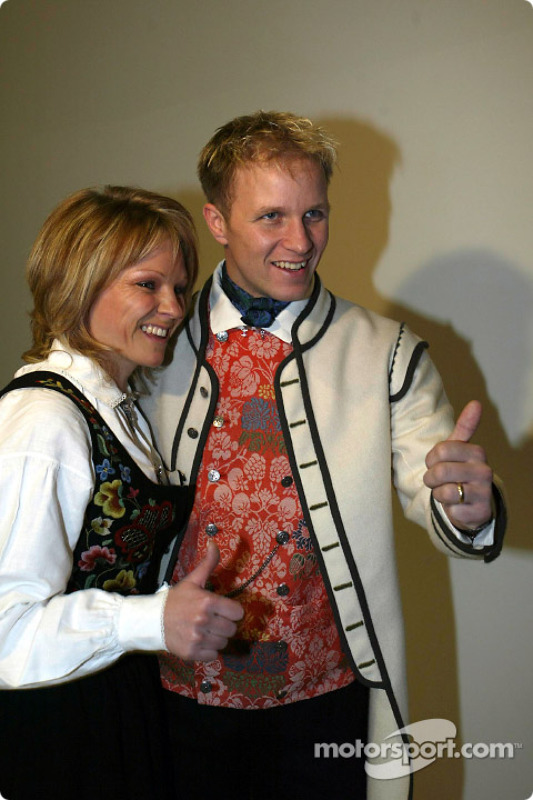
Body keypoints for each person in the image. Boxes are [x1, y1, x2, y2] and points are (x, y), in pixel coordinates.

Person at [141, 112, 507, 800]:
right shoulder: (151, 341)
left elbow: (432, 485)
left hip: (324, 704)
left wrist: (466, 507)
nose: (300, 241)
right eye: (271, 217)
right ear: (216, 222)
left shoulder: (387, 352)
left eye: (314, 214)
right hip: (171, 697)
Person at [0, 185, 243, 800]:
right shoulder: (44, 420)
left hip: (112, 706)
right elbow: (6, 633)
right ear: (80, 284)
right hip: (53, 729)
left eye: (179, 287)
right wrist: (151, 618)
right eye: (147, 284)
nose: (172, 306)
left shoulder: (118, 408)